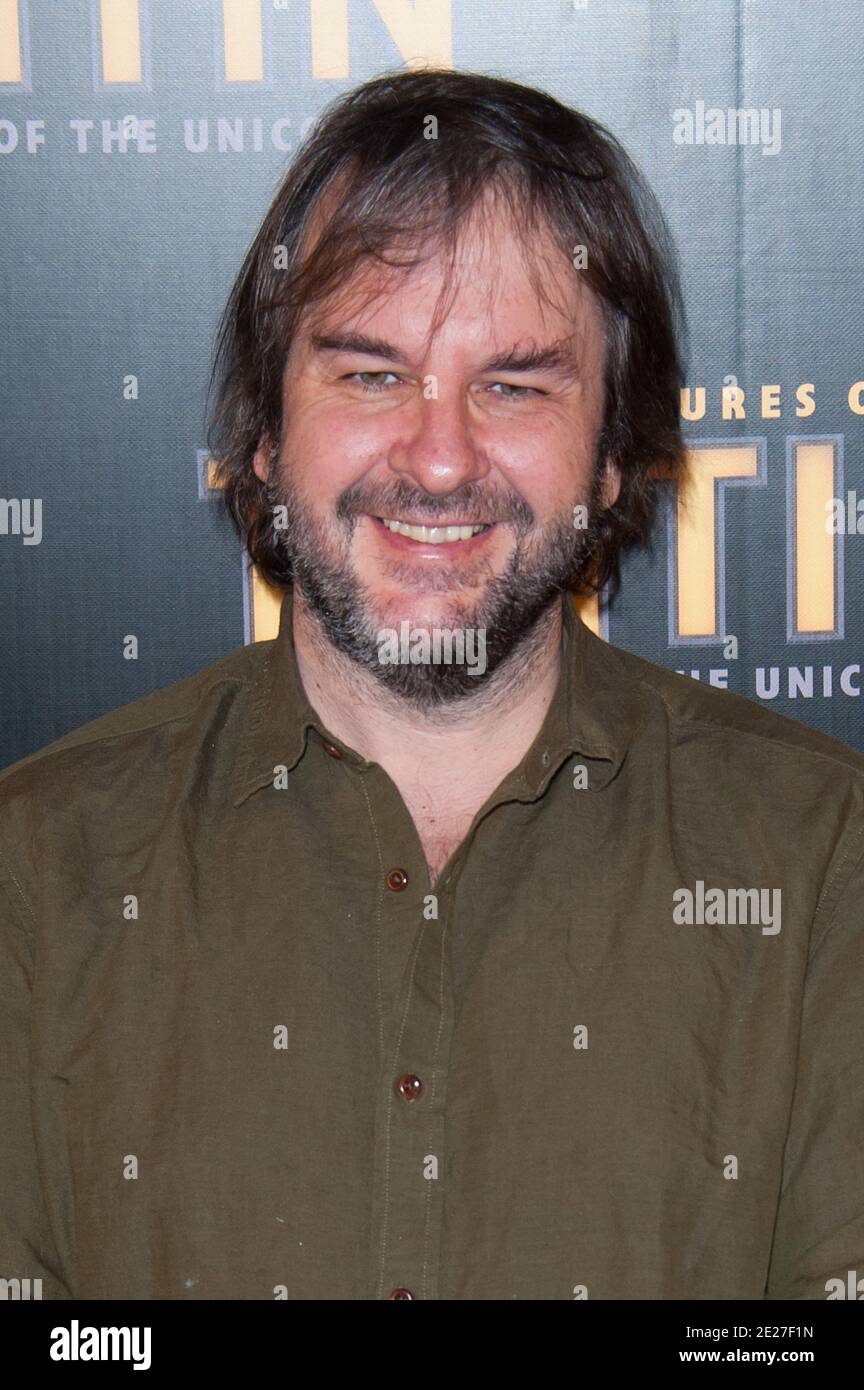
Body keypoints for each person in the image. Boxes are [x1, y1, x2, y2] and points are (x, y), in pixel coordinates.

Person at [1, 68, 862, 1302]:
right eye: (369, 373)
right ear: (262, 436)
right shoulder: (35, 871)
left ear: (613, 457)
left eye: (513, 384)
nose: (441, 455)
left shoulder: (825, 858)